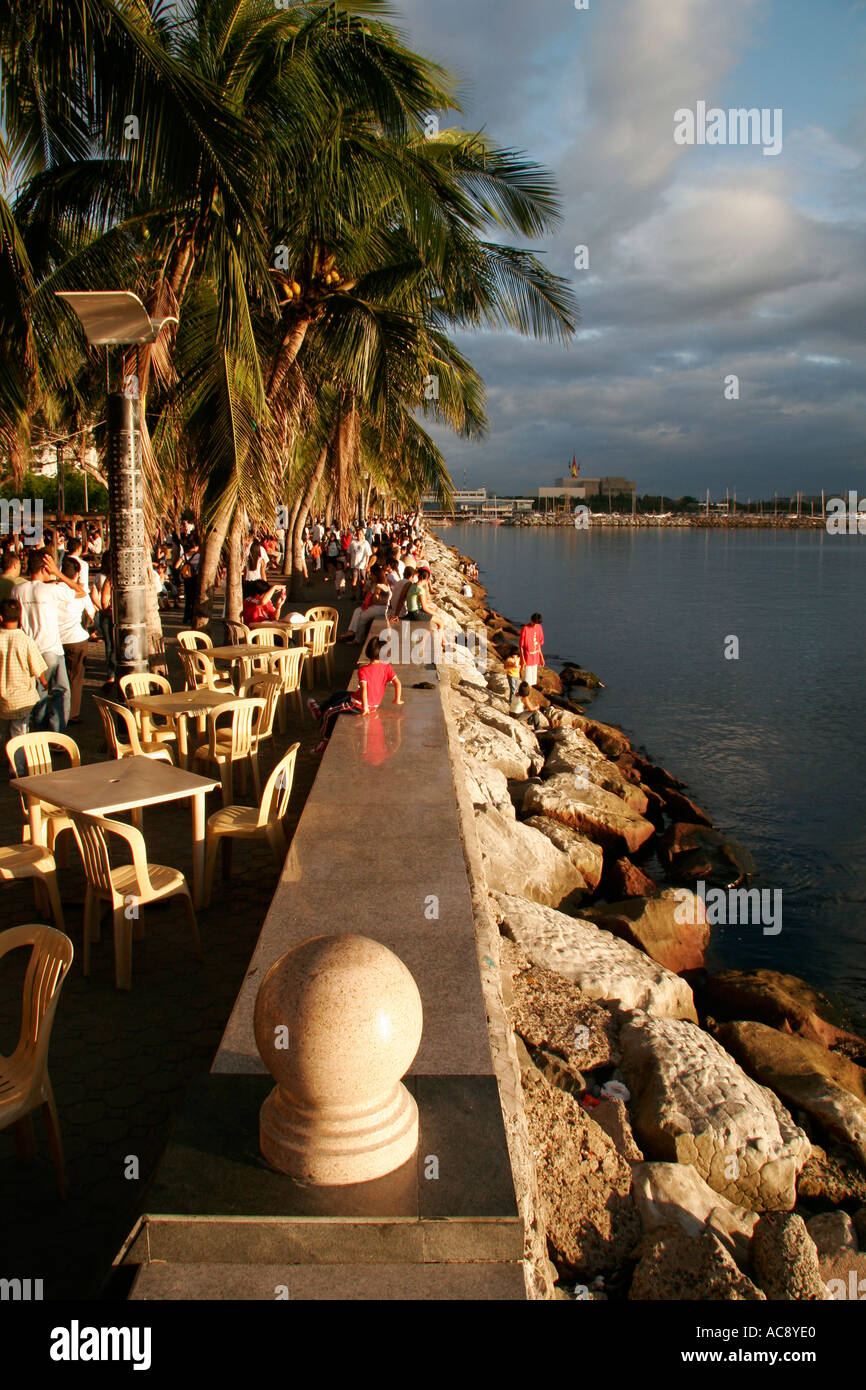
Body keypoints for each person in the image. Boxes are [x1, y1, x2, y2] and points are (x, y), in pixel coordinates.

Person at [16, 548, 82, 729]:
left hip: (31, 650)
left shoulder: (18, 589)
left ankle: (39, 731)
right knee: (61, 692)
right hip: (51, 648)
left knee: (39, 694)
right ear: (46, 567)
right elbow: (79, 590)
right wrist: (57, 572)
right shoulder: (51, 590)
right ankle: (56, 733)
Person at [308, 633, 402, 755]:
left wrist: (366, 707)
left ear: (368, 651)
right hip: (368, 702)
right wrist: (397, 699)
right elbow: (397, 683)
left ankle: (325, 742)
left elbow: (364, 688)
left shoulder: (363, 670)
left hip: (358, 704)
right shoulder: (387, 667)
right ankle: (319, 711)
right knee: (339, 694)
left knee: (330, 713)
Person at [0, 597, 48, 763]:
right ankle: (17, 767)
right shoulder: (25, 640)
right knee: (20, 732)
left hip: (2, 697)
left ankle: (8, 757)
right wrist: (44, 681)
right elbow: (37, 666)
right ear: (20, 617)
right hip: (22, 697)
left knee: (6, 731)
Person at [57, 556, 95, 723]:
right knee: (76, 679)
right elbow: (91, 613)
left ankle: (59, 710)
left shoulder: (53, 590)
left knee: (60, 680)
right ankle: (72, 713)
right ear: (77, 574)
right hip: (77, 638)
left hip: (57, 639)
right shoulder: (80, 593)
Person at [520, 612, 545, 688]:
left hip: (535, 658)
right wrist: (523, 660)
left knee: (533, 681)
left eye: (536, 624)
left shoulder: (539, 627)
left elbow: (539, 644)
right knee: (527, 682)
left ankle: (526, 697)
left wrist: (541, 657)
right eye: (534, 623)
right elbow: (521, 646)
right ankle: (524, 698)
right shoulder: (525, 629)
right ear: (531, 619)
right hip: (527, 658)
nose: (535, 625)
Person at [347, 528, 372, 597]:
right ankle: (353, 595)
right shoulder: (352, 542)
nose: (359, 535)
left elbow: (368, 554)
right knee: (354, 580)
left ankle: (362, 594)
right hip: (354, 564)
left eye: (360, 534)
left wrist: (367, 564)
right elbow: (349, 552)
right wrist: (348, 562)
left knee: (362, 581)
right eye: (358, 534)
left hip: (362, 565)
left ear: (363, 535)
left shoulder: (365, 543)